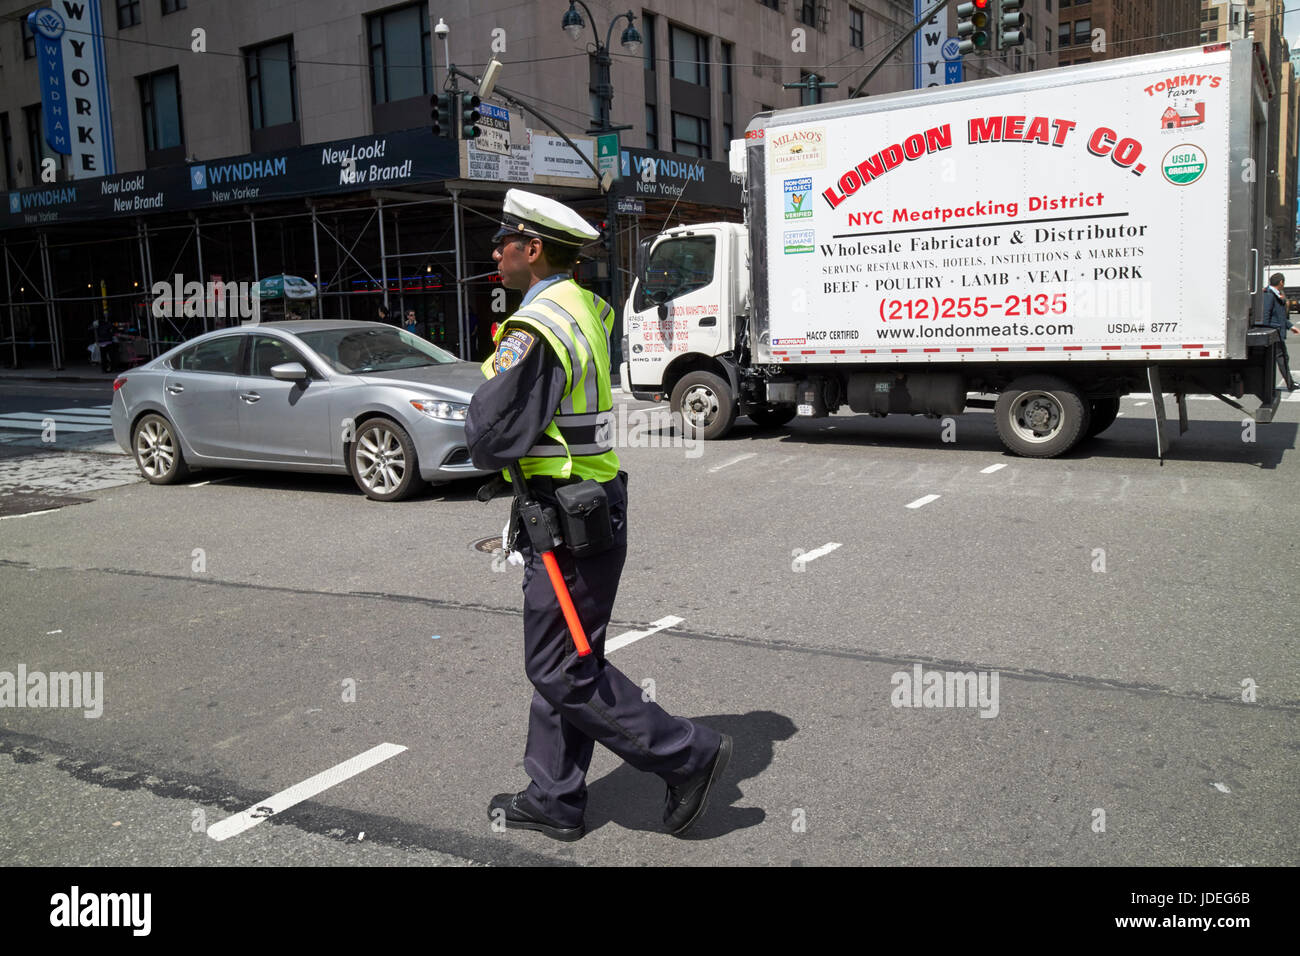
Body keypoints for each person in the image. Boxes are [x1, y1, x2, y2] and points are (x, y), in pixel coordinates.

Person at [465, 189, 731, 841]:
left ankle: (686, 756)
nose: (495, 251)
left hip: (565, 519)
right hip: (593, 508)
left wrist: (494, 429)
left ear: (532, 249)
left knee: (561, 667)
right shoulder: (586, 307)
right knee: (569, 657)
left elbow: (486, 430)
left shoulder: (535, 327)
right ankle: (554, 798)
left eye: (505, 240)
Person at [1259, 272, 1299, 390]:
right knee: (1281, 358)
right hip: (1273, 333)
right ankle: (1288, 384)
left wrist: (1291, 326)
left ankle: (1287, 384)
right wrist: (1270, 329)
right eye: (1283, 282)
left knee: (1280, 358)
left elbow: (1279, 316)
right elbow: (1265, 316)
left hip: (1275, 333)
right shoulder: (1269, 294)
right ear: (1281, 282)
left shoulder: (1274, 294)